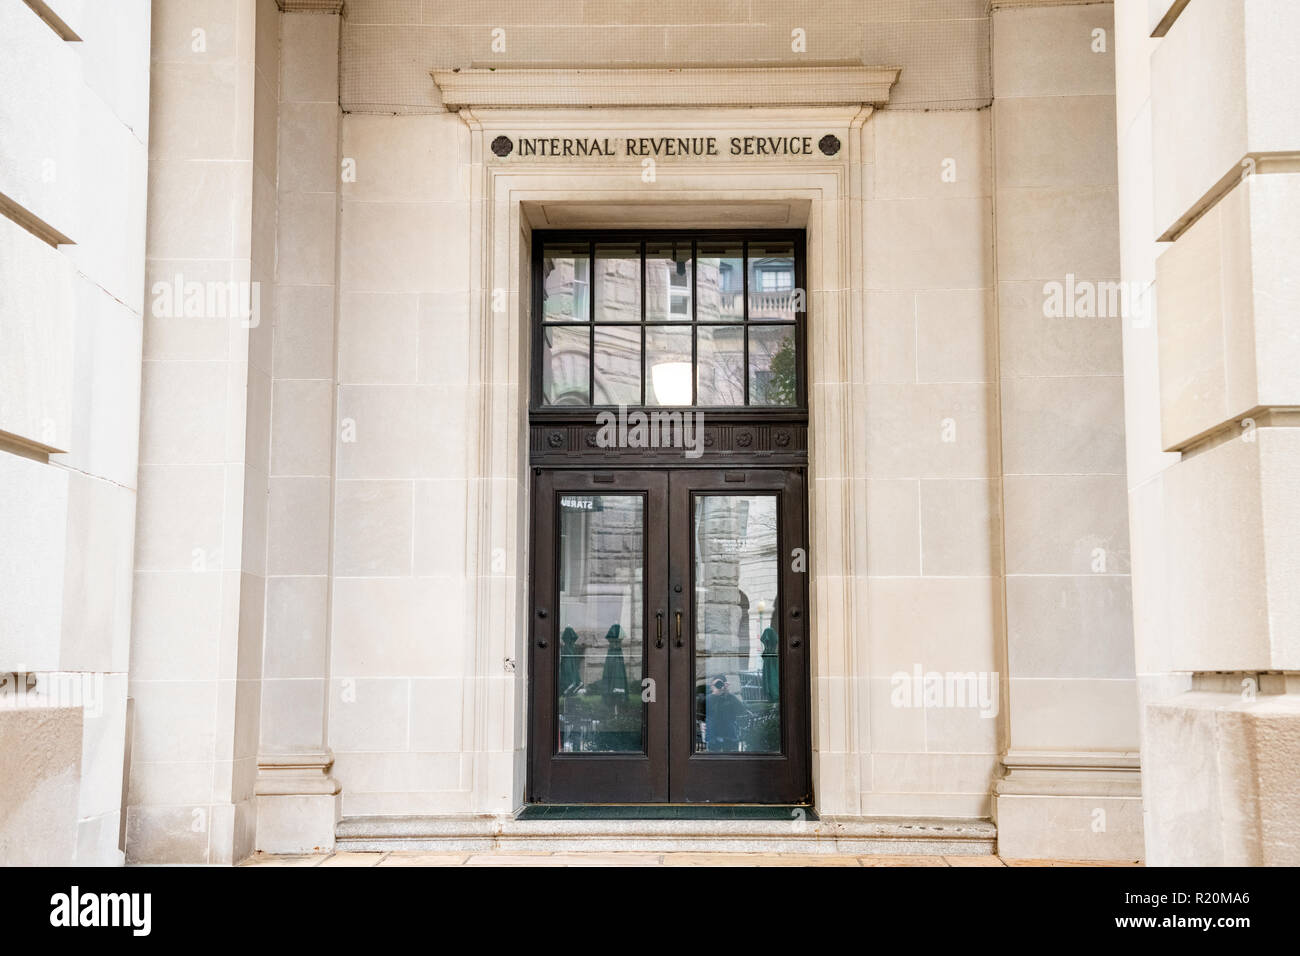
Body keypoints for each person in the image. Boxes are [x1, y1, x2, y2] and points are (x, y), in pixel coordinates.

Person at [703, 675, 748, 752]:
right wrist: (715, 694)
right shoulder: (709, 698)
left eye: (721, 684)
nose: (719, 686)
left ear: (725, 684)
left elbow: (742, 710)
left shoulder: (730, 697)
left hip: (730, 736)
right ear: (712, 686)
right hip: (714, 737)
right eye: (717, 684)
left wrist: (728, 693)